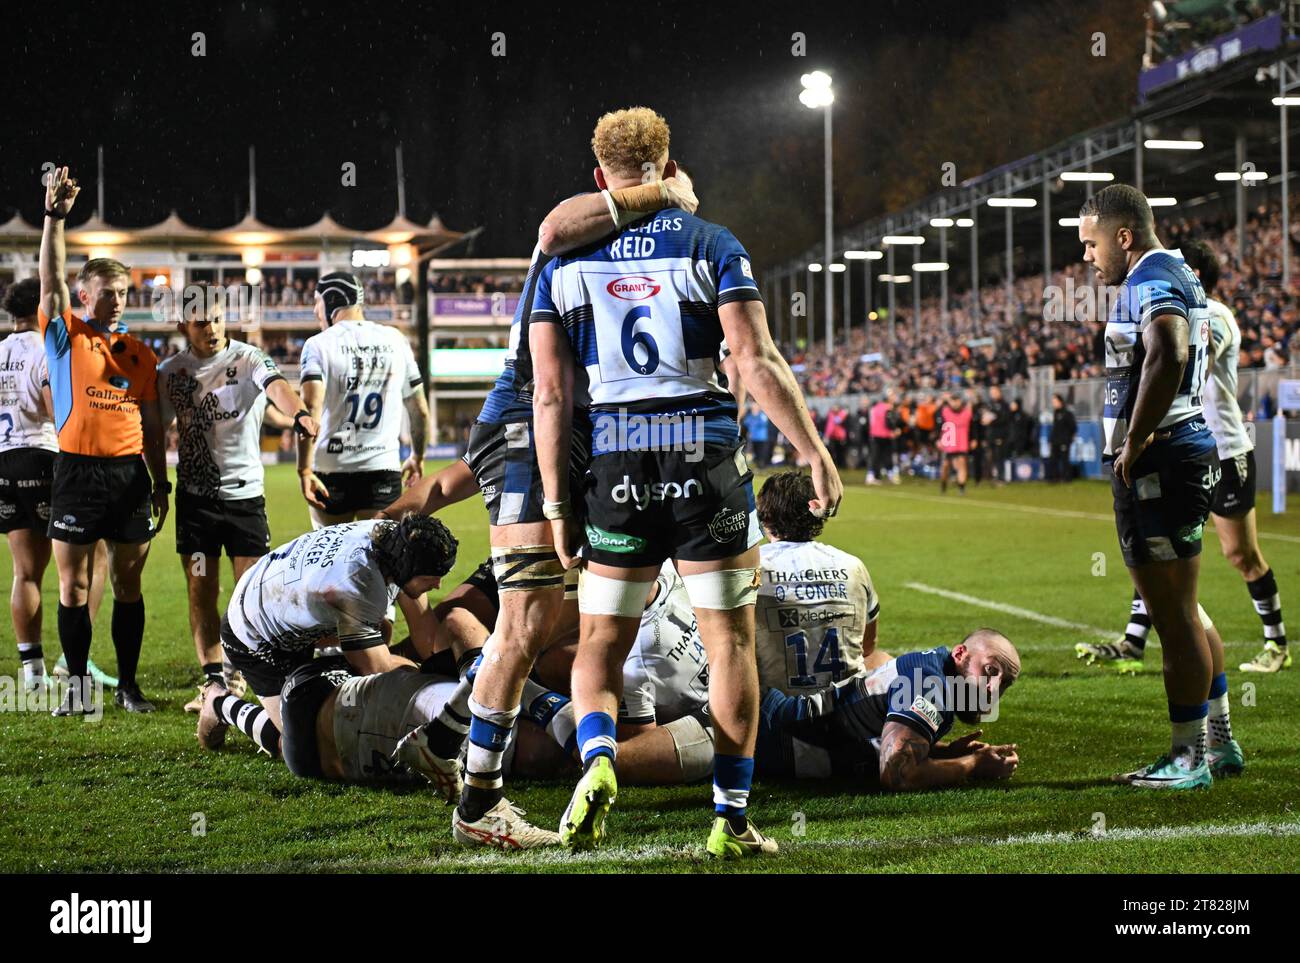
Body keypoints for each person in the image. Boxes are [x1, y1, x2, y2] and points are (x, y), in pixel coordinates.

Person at [531, 106, 842, 858]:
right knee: (729, 642)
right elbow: (754, 360)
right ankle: (730, 818)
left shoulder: (563, 264)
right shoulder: (712, 243)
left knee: (601, 641)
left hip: (615, 462)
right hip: (703, 458)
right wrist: (812, 449)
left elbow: (549, 395)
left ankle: (600, 757)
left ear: (600, 177)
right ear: (670, 167)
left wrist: (555, 502)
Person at [389, 161, 701, 850]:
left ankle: (446, 736)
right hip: (533, 419)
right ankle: (478, 803)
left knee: (575, 612)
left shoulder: (652, 243)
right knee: (529, 619)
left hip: (577, 432)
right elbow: (553, 225)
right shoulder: (591, 220)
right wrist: (660, 193)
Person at [1082, 238, 1287, 678]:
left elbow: (1192, 362)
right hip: (1183, 446)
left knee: (1240, 554)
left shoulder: (1213, 314)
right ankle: (1134, 641)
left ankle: (1276, 642)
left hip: (1224, 447)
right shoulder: (1173, 306)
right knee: (1160, 550)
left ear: (1193, 273)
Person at [1079, 184, 1220, 789]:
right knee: (1186, 610)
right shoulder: (1180, 269)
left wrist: (1134, 442)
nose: (1088, 257)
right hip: (1185, 449)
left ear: (1124, 235)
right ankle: (1220, 742)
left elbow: (1169, 348)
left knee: (1173, 618)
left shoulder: (1147, 278)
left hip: (1162, 462)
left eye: (1091, 243)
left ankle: (1188, 757)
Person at [38, 167, 170, 716]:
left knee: (128, 585)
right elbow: (50, 282)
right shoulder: (66, 336)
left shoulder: (140, 354)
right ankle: (74, 685)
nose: (117, 301)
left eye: (123, 293)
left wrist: (161, 479)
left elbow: (155, 425)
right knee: (72, 586)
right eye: (107, 293)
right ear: (85, 294)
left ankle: (128, 686)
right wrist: (54, 218)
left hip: (128, 477)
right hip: (75, 473)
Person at [158, 288, 318, 711]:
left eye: (215, 318)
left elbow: (278, 387)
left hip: (245, 500)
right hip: (197, 504)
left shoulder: (248, 358)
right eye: (199, 322)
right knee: (200, 588)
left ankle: (240, 674)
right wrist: (157, 481)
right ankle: (212, 682)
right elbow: (152, 430)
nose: (209, 328)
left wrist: (299, 413)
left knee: (249, 591)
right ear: (182, 326)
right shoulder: (171, 372)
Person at [197, 514, 457, 757]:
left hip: (278, 599)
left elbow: (426, 635)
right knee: (299, 745)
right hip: (256, 636)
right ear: (410, 567)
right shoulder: (359, 583)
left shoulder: (395, 539)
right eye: (432, 577)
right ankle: (220, 703)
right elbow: (379, 677)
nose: (438, 585)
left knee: (380, 633)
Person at [296, 270, 434, 650]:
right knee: (385, 567)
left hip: (332, 472)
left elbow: (311, 407)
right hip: (384, 471)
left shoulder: (319, 345)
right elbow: (419, 410)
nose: (314, 312)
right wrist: (416, 456)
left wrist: (304, 468)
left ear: (329, 302)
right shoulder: (395, 340)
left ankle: (334, 660)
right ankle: (382, 651)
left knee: (330, 567)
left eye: (316, 304)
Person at [755, 629, 1020, 790]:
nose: (993, 688)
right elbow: (897, 774)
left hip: (773, 727)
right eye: (990, 671)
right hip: (767, 735)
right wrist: (973, 765)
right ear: (960, 654)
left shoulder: (934, 672)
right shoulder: (928, 685)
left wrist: (945, 752)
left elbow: (878, 737)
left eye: (1004, 682)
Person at [754, 471, 882, 695]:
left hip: (778, 709)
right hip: (846, 709)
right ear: (816, 511)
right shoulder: (853, 565)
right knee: (882, 659)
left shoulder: (752, 567)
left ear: (764, 517)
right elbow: (868, 645)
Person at [937, 392, 972, 494]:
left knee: (962, 464)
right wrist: (938, 439)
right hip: (949, 442)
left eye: (957, 400)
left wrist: (974, 439)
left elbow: (973, 427)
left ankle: (961, 488)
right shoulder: (945, 411)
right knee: (945, 465)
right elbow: (938, 424)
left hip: (962, 442)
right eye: (953, 400)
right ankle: (943, 484)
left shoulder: (967, 412)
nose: (955, 403)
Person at [865, 392, 899, 485]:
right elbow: (889, 422)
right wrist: (894, 430)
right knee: (887, 456)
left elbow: (870, 422)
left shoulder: (874, 408)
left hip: (874, 435)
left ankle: (872, 476)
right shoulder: (888, 408)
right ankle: (890, 475)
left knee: (875, 456)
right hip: (885, 435)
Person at [1047, 394, 1076, 482]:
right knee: (1053, 459)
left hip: (1064, 441)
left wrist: (1068, 438)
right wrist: (1051, 440)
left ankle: (1067, 478)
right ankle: (1054, 478)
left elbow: (1073, 427)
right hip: (1055, 441)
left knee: (1064, 460)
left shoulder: (1067, 413)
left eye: (1055, 402)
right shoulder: (1055, 413)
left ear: (1060, 402)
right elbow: (1055, 428)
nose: (1053, 404)